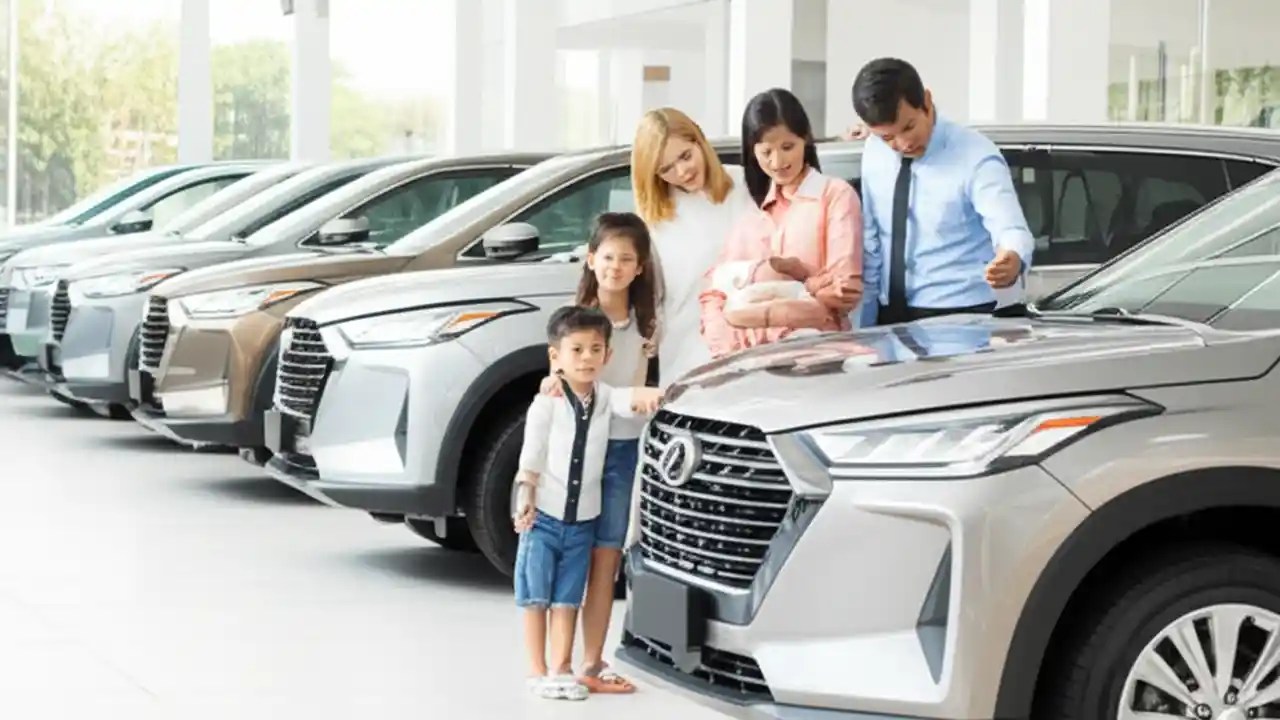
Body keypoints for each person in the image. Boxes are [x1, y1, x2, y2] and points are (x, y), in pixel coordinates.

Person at [513, 305, 663, 700]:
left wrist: (662, 395)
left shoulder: (604, 398)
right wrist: (524, 497)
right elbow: (531, 455)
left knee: (567, 597)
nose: (586, 358)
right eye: (576, 350)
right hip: (544, 516)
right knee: (535, 595)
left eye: (595, 350)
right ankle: (536, 668)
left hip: (582, 521)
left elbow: (631, 399)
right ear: (555, 356)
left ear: (607, 356)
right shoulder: (546, 402)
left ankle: (562, 667)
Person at [535, 212, 657, 694]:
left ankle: (592, 662)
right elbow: (558, 376)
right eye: (608, 257)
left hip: (623, 448)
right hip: (580, 450)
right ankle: (555, 664)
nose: (616, 266)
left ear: (640, 267)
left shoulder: (647, 321)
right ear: (591, 259)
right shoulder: (577, 319)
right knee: (573, 555)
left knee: (607, 557)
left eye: (627, 259)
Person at [852, 57, 1034, 326]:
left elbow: (1010, 228)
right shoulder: (873, 152)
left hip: (960, 314)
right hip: (888, 314)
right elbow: (872, 240)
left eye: (909, 127)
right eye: (887, 137)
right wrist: (864, 322)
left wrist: (1013, 258)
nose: (902, 144)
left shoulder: (976, 155)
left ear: (926, 101)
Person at [700, 87, 863, 358]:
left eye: (788, 147)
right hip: (750, 363)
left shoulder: (834, 195)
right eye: (766, 152)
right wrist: (725, 347)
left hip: (819, 356)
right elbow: (715, 295)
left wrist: (800, 276)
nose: (778, 162)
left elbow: (844, 291)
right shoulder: (752, 218)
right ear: (753, 152)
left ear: (806, 140)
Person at [630, 107, 756, 384]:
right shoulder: (655, 219)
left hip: (754, 345)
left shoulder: (746, 185)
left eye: (685, 156)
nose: (683, 171)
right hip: (687, 354)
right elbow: (651, 295)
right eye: (666, 169)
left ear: (699, 140)